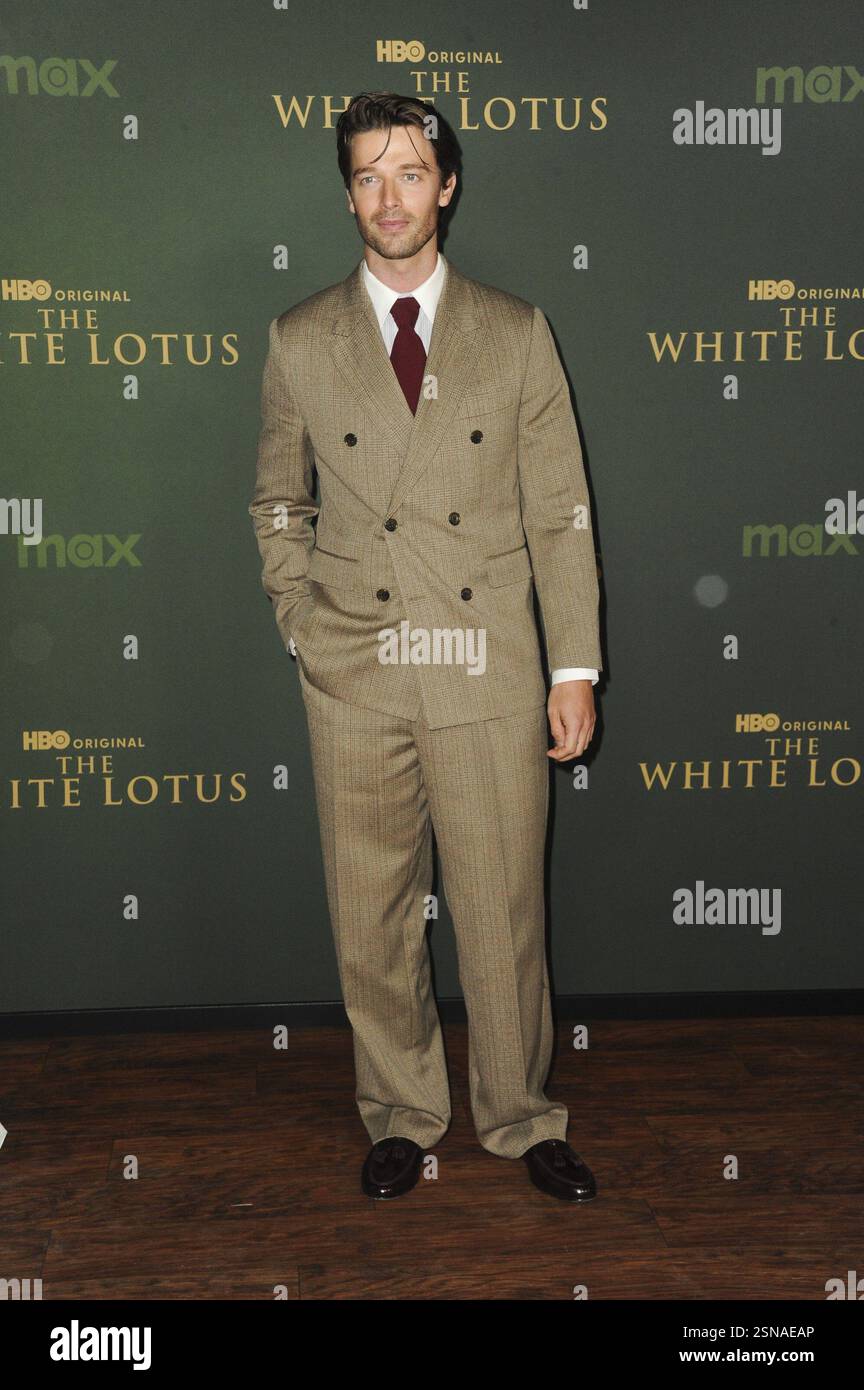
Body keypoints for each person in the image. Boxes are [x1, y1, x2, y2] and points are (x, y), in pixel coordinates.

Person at [249, 92, 603, 1202]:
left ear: (447, 185)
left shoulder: (515, 329)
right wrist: (302, 624)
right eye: (367, 176)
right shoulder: (300, 338)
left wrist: (573, 666)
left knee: (502, 910)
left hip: (489, 662)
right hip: (356, 667)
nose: (388, 196)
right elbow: (275, 504)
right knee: (373, 913)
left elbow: (561, 512)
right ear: (347, 191)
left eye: (409, 172)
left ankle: (519, 1113)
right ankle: (400, 1112)